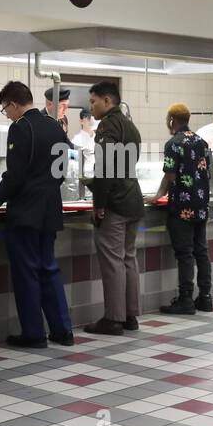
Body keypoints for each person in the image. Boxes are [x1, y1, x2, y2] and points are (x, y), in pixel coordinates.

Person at [0, 81, 74, 348]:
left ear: (13, 104)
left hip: (25, 212)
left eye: (6, 109)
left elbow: (13, 178)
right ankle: (63, 330)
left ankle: (34, 333)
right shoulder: (54, 125)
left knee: (26, 272)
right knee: (49, 268)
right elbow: (61, 171)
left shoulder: (20, 128)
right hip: (50, 208)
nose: (8, 115)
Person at [83, 81, 143, 335]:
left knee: (113, 261)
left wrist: (99, 205)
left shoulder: (108, 125)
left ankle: (113, 318)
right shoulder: (130, 125)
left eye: (93, 101)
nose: (91, 106)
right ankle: (130, 315)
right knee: (128, 257)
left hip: (115, 202)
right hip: (133, 199)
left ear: (107, 101)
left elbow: (105, 167)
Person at [150, 103, 212, 314]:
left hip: (182, 206)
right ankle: (205, 297)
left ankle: (185, 299)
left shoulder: (173, 144)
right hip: (202, 203)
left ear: (171, 120)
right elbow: (207, 172)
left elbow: (170, 175)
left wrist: (157, 195)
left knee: (185, 253)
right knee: (201, 251)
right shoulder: (202, 142)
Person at [72, 108, 96, 179]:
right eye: (88, 118)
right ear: (81, 121)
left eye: (91, 118)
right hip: (84, 179)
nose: (90, 121)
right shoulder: (76, 140)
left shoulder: (99, 139)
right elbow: (72, 163)